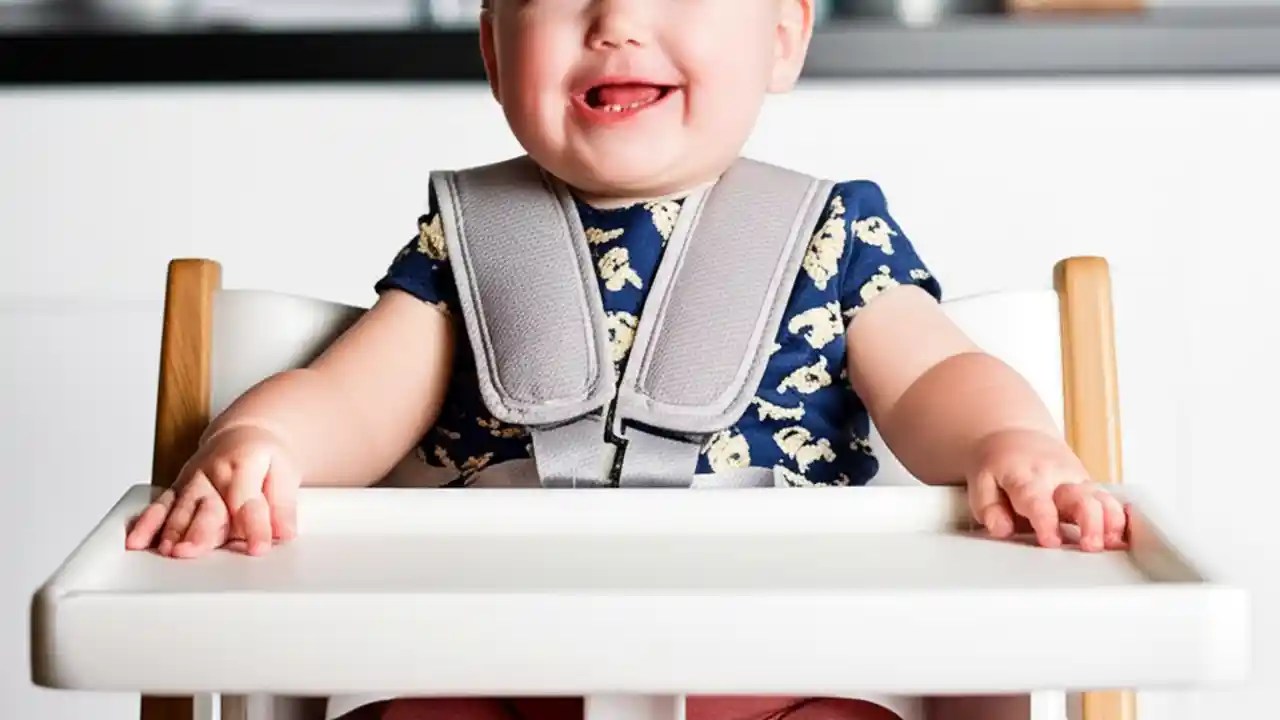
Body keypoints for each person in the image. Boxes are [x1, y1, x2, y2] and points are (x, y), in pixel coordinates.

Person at [126, 1, 1130, 718]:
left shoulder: (827, 236)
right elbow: (351, 400)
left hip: (782, 657)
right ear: (490, 42)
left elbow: (929, 377)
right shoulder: (465, 245)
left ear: (783, 35)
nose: (614, 18)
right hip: (501, 660)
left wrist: (1009, 439)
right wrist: (259, 440)